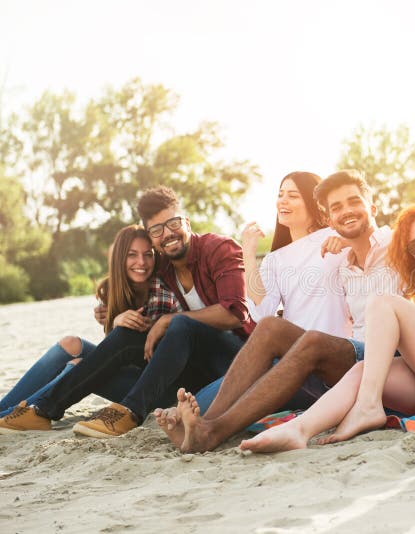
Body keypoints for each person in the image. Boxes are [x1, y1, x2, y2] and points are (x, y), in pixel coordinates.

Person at [160, 169, 401, 453]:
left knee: (272, 361)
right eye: (279, 194)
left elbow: (371, 244)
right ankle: (202, 427)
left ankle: (206, 427)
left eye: (292, 194)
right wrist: (248, 254)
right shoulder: (276, 258)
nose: (282, 201)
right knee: (269, 333)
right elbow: (261, 313)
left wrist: (348, 240)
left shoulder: (338, 238)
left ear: (313, 206)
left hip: (338, 350)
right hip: (297, 351)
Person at [2, 186, 256, 437]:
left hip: (235, 361)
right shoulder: (164, 266)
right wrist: (116, 319)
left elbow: (235, 313)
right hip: (190, 370)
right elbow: (130, 271)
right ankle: (42, 410)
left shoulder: (219, 249)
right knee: (126, 336)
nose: (167, 233)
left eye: (173, 223)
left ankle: (130, 411)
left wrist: (169, 320)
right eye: (157, 229)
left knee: (179, 325)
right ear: (151, 235)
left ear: (186, 221)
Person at [237, 199, 415, 453]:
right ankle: (298, 430)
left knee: (382, 303)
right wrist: (352, 242)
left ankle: (367, 406)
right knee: (362, 371)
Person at [0, 225, 181, 429]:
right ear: (120, 258)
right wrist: (115, 321)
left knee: (79, 364)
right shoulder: (114, 290)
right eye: (132, 255)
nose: (141, 262)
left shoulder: (161, 293)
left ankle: (26, 413)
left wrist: (128, 326)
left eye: (148, 255)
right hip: (128, 373)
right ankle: (5, 408)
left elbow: (144, 352)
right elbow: (111, 353)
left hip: (153, 387)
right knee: (71, 343)